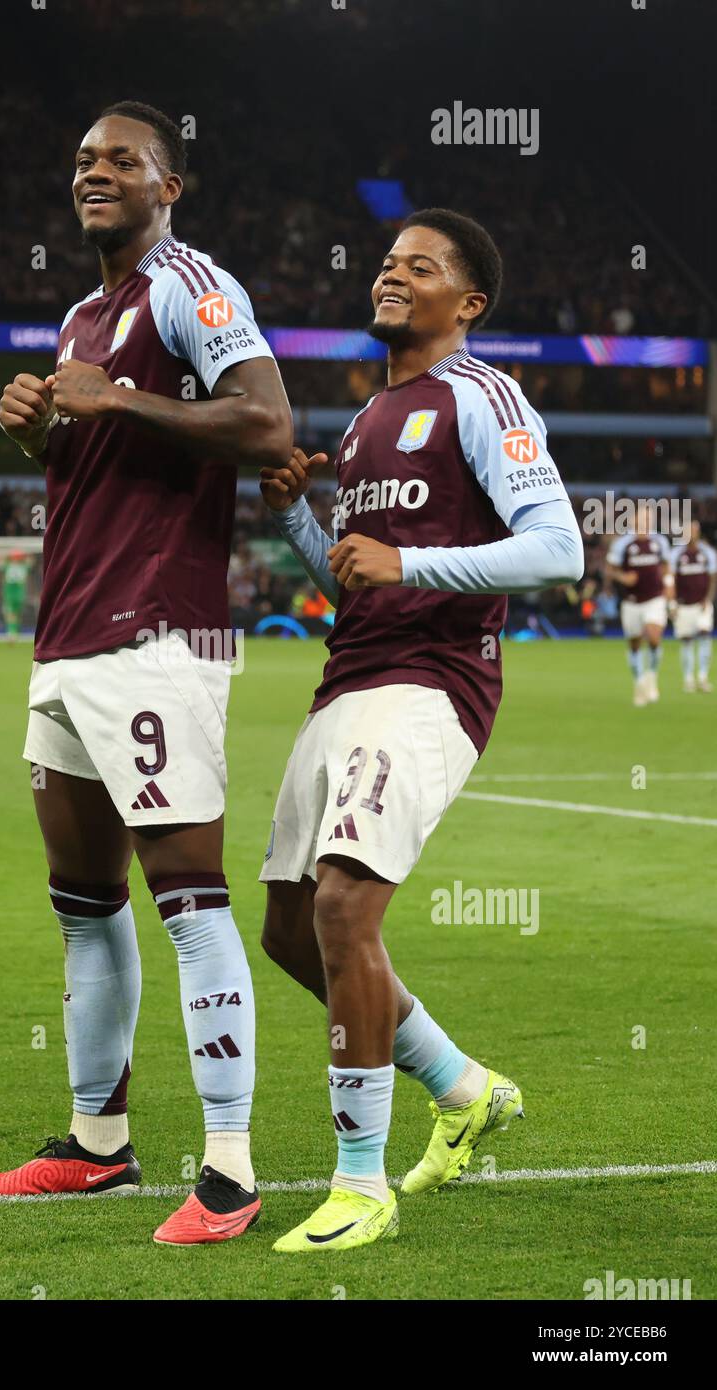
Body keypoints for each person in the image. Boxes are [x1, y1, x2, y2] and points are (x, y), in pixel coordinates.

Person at [0, 101, 292, 1246]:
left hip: (159, 629)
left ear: (171, 185)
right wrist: (36, 432)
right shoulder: (79, 315)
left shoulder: (189, 285)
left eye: (122, 160)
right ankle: (96, 1145)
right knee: (82, 902)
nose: (94, 174)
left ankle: (230, 1171)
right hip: (69, 636)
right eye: (82, 161)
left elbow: (268, 424)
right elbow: (93, 445)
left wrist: (124, 398)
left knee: (188, 899)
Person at [257, 208, 583, 1253]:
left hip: (432, 684)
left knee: (346, 909)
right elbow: (358, 584)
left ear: (469, 302)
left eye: (422, 267)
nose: (392, 277)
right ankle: (460, 1084)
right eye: (388, 263)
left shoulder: (483, 396)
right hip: (347, 677)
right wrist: (300, 525)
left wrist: (414, 565)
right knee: (287, 927)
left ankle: (360, 1184)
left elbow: (557, 549)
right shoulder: (363, 421)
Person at [605, 504, 673, 706]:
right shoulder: (623, 544)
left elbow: (667, 566)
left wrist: (669, 585)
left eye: (647, 519)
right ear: (633, 521)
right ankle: (639, 682)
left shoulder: (659, 541)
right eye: (641, 519)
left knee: (653, 636)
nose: (644, 523)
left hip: (655, 599)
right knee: (634, 644)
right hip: (632, 602)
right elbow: (610, 569)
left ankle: (652, 676)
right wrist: (622, 577)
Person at [670, 519, 716, 692]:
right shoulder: (676, 554)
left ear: (698, 532)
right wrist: (673, 603)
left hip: (701, 603)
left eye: (694, 531)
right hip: (683, 605)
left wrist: (708, 599)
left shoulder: (707, 553)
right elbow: (671, 580)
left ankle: (703, 677)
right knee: (687, 641)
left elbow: (712, 578)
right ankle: (688, 678)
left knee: (705, 636)